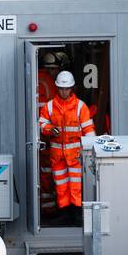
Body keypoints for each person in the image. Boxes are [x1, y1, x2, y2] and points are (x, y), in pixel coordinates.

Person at [39, 71, 96, 211]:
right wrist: (50, 129)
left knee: (76, 186)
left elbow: (89, 131)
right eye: (61, 88)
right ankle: (65, 213)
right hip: (58, 157)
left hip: (76, 156)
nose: (64, 92)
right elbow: (41, 124)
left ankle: (76, 214)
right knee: (61, 186)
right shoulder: (50, 106)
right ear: (57, 88)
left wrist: (90, 154)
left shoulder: (80, 107)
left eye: (67, 88)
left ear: (72, 88)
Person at [35, 52, 62, 216]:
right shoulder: (49, 83)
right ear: (53, 69)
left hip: (36, 132)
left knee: (41, 170)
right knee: (47, 171)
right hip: (46, 134)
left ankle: (44, 206)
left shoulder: (35, 78)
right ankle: (49, 209)